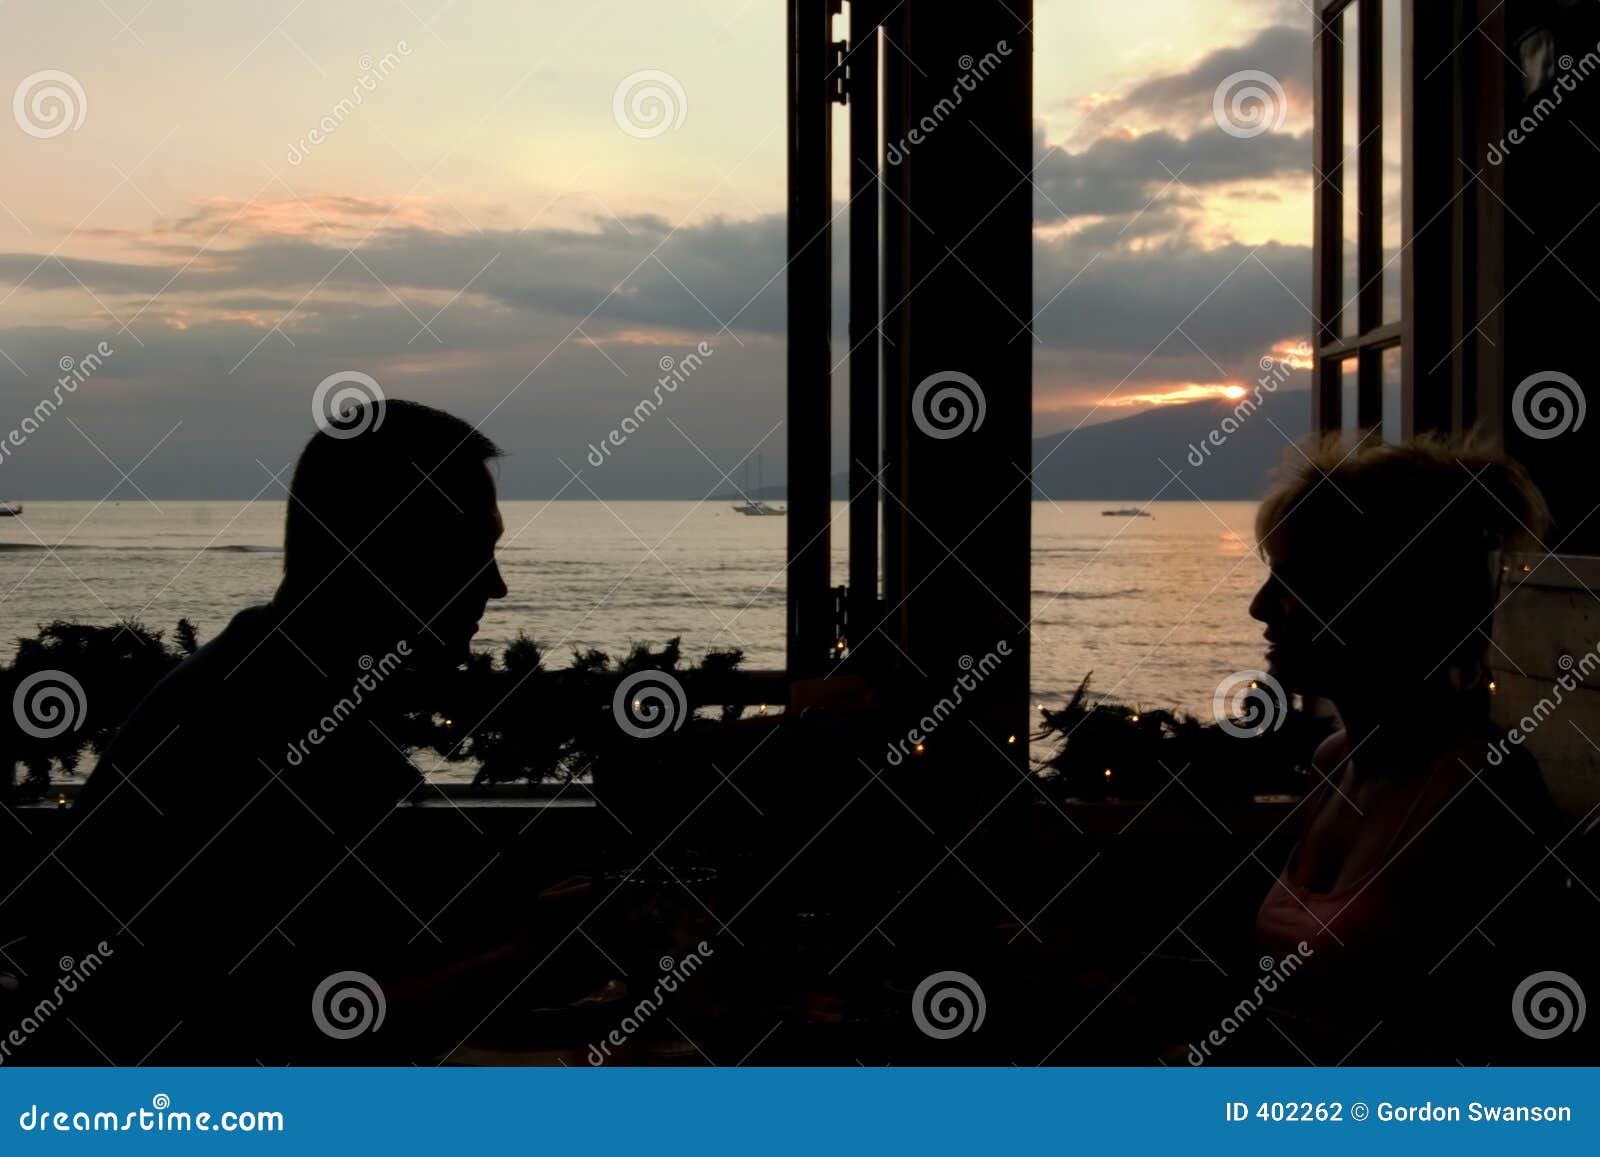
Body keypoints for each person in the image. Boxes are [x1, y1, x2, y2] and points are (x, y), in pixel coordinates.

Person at [45, 398, 510, 1063]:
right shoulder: (263, 728)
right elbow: (290, 1026)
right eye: (471, 554)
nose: (495, 588)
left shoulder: (276, 685)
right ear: (388, 554)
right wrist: (534, 958)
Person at [1247, 433, 1579, 1061]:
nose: (1259, 607)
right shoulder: (1334, 763)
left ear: (1377, 602)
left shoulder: (1480, 793)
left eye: (1290, 584)